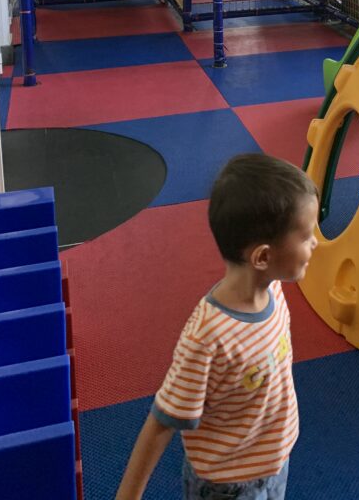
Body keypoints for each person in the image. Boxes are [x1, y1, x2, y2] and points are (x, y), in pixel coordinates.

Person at [115, 153, 319, 500]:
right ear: (263, 257)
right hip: (226, 485)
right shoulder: (209, 337)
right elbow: (162, 421)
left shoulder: (274, 291)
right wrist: (129, 494)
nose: (314, 242)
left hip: (274, 463)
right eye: (305, 235)